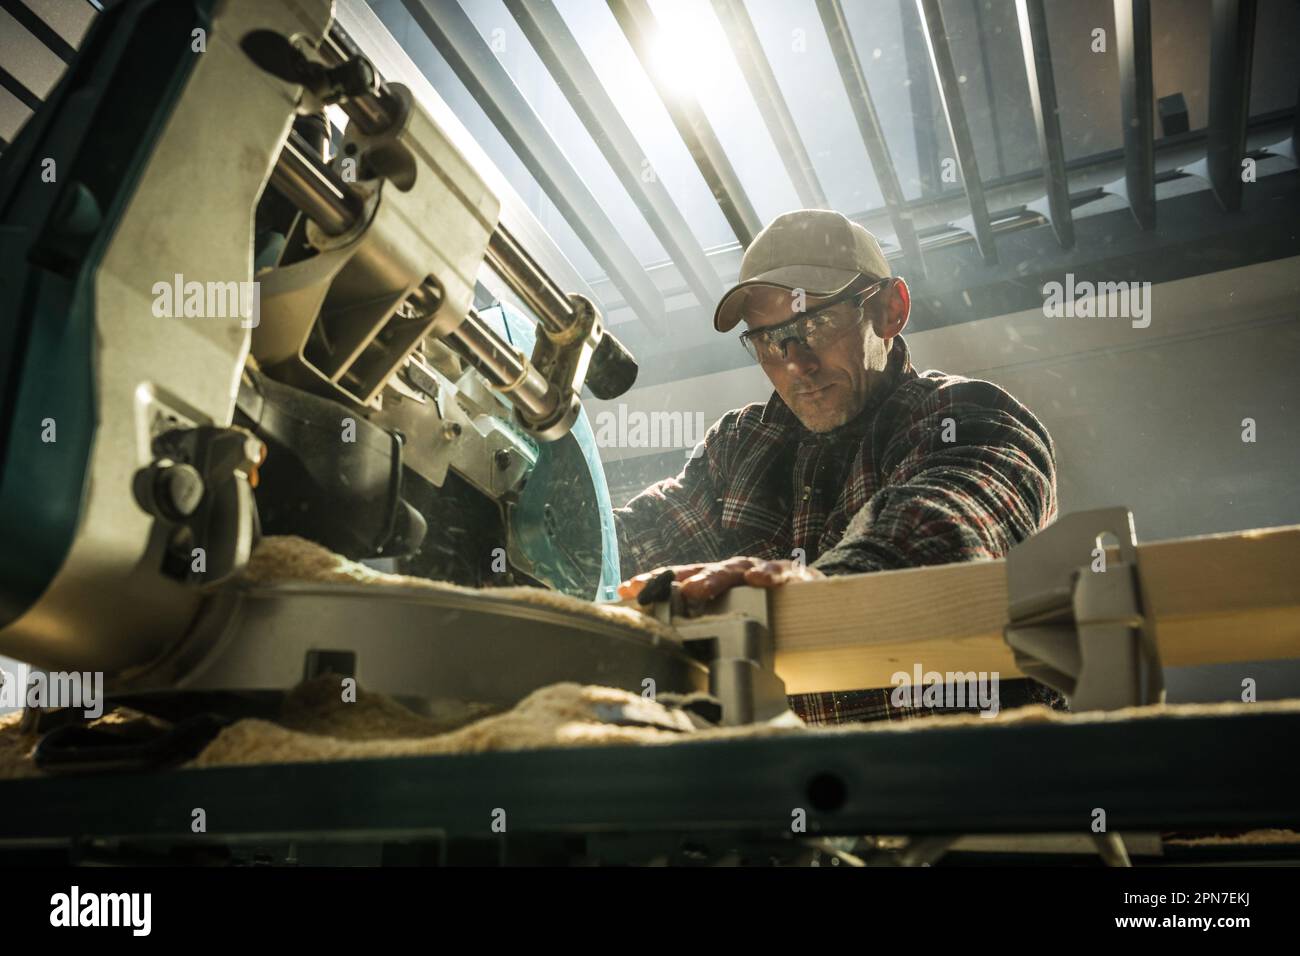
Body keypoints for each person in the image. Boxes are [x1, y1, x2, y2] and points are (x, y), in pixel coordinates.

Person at [612, 209, 1062, 725]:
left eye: (817, 324)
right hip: (782, 789)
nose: (795, 364)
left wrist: (823, 593)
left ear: (891, 310)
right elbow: (621, 545)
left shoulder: (966, 414)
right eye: (768, 340)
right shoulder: (737, 447)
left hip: (964, 781)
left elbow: (950, 521)